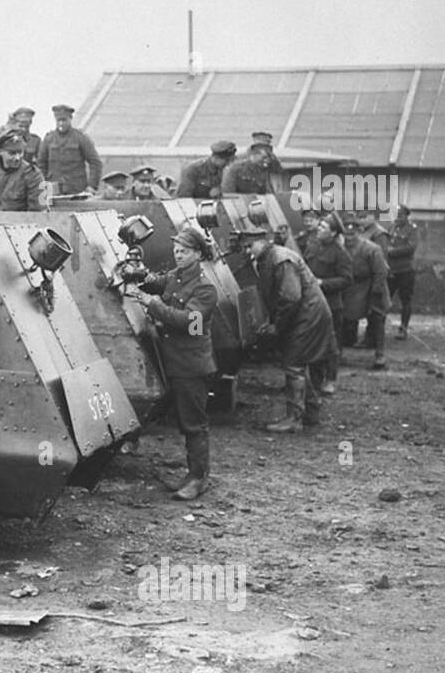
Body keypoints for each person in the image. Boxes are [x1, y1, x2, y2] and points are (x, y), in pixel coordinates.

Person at [122, 223, 219, 499]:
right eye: (176, 250)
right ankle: (192, 475)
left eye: (185, 251)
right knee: (175, 417)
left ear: (198, 254)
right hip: (173, 364)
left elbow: (190, 323)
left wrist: (151, 303)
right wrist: (141, 274)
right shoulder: (178, 277)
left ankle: (198, 479)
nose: (178, 254)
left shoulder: (205, 289)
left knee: (194, 424)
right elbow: (160, 280)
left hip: (191, 367)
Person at [234, 222, 336, 432]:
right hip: (305, 313)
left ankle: (294, 418)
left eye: (249, 246)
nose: (246, 251)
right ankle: (310, 412)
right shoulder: (268, 257)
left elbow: (290, 297)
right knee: (297, 363)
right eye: (243, 247)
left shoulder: (280, 259)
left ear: (263, 241)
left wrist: (276, 327)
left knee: (294, 364)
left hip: (307, 315)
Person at [301, 212, 353, 394]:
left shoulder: (340, 253)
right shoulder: (313, 247)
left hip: (331, 305)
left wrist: (323, 283)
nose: (318, 229)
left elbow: (347, 280)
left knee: (331, 345)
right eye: (319, 226)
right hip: (313, 304)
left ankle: (330, 379)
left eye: (323, 227)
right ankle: (315, 380)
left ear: (332, 233)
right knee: (314, 343)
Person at [340, 213, 391, 369]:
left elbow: (381, 271)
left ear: (359, 232)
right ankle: (338, 353)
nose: (349, 238)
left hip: (371, 285)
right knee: (340, 318)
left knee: (378, 318)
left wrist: (376, 292)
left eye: (352, 234)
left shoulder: (371, 248)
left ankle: (380, 355)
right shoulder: (340, 248)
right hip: (350, 288)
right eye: (346, 234)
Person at [39, 104, 102, 194]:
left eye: (64, 120)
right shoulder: (48, 139)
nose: (61, 123)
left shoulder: (80, 138)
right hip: (53, 189)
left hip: (77, 188)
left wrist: (92, 186)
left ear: (70, 119)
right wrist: (44, 183)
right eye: (58, 120)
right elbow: (41, 163)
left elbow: (95, 162)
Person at [384, 205, 418, 340]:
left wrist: (392, 251)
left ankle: (403, 328)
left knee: (406, 300)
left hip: (405, 271)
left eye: (399, 215)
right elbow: (385, 242)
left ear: (406, 216)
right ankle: (378, 328)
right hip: (391, 270)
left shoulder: (412, 229)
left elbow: (411, 247)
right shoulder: (392, 227)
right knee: (385, 299)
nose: (396, 218)